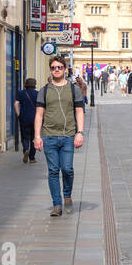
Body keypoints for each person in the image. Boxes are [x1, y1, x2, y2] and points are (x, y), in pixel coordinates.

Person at [33, 57, 85, 217]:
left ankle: (67, 195)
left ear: (65, 69)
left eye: (60, 67)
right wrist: (37, 136)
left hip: (68, 135)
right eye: (54, 67)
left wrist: (80, 132)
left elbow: (79, 111)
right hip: (49, 136)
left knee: (67, 169)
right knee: (53, 171)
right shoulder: (44, 90)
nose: (57, 70)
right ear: (51, 69)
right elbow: (39, 114)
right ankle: (57, 204)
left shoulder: (73, 89)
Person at [14, 77, 39, 164]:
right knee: (34, 137)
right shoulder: (37, 93)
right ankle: (32, 158)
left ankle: (25, 149)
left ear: (26, 84)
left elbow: (16, 104)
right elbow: (41, 107)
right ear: (34, 85)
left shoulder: (21, 93)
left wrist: (19, 114)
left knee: (25, 136)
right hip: (35, 119)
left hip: (24, 118)